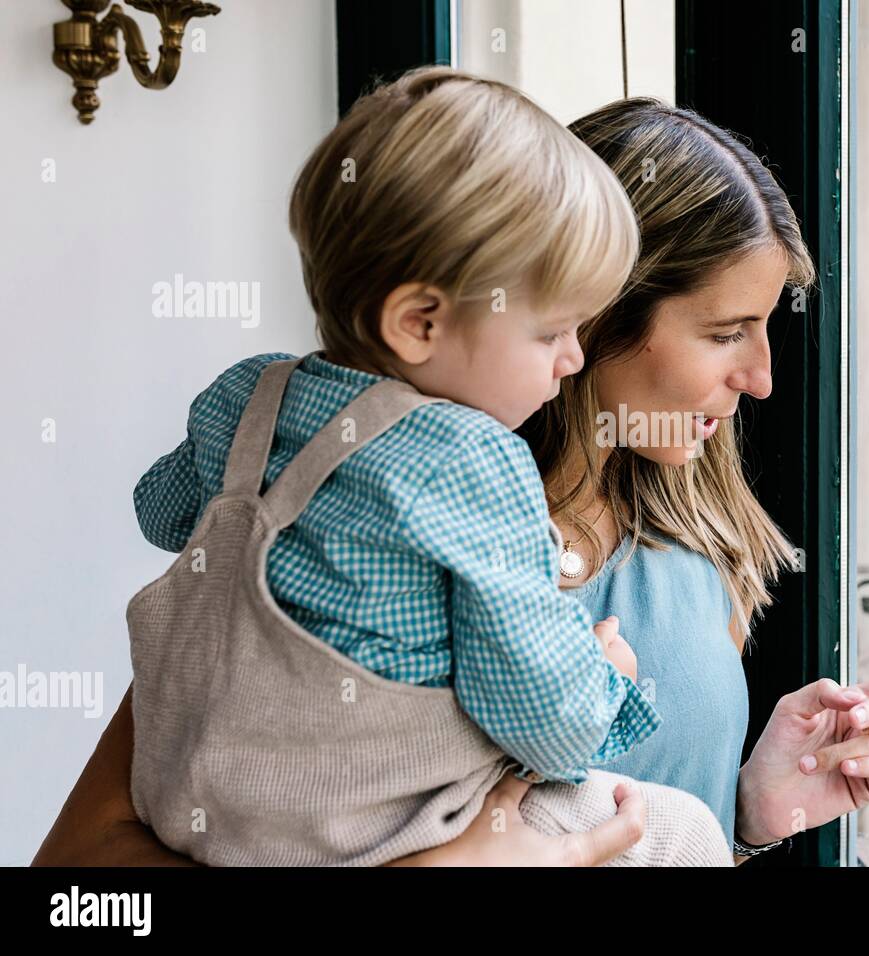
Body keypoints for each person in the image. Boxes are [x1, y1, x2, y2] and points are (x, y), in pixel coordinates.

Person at [33, 91, 869, 869]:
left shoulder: (695, 551)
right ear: (593, 317)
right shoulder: (337, 539)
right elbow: (80, 876)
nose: (761, 377)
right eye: (725, 333)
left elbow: (623, 829)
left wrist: (751, 811)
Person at [119, 65, 732, 867]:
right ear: (419, 324)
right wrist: (600, 680)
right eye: (552, 333)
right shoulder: (475, 465)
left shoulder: (246, 395)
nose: (572, 359)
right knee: (682, 830)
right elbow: (548, 724)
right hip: (363, 833)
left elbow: (158, 514)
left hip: (187, 812)